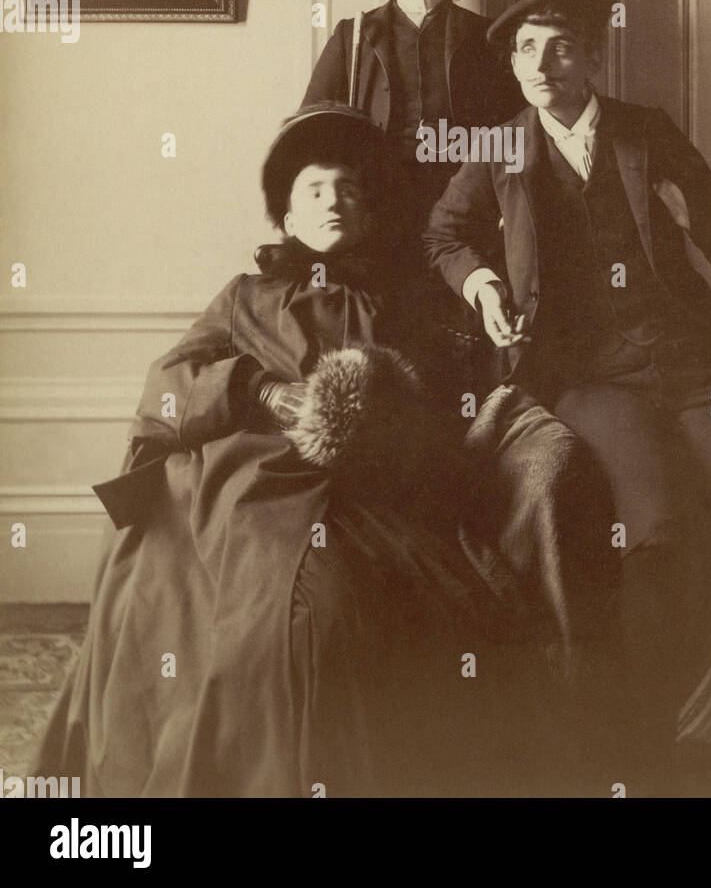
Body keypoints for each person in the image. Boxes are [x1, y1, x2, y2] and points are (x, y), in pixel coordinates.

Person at [35, 103, 515, 797]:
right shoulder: (246, 298)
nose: (333, 201)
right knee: (279, 610)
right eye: (314, 190)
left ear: (371, 212)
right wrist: (259, 392)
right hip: (242, 481)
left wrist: (376, 418)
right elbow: (167, 385)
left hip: (360, 490)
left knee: (343, 615)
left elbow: (443, 417)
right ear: (288, 218)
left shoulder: (405, 302)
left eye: (348, 188)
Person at [424, 0, 711, 784]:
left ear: (592, 55)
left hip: (690, 358)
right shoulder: (500, 148)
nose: (540, 63)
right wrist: (484, 286)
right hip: (591, 377)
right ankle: (660, 729)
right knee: (651, 533)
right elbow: (442, 236)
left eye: (558, 45)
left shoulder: (644, 132)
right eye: (525, 48)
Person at [302, 0, 521, 233]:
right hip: (375, 224)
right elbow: (310, 140)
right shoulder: (352, 37)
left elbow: (515, 140)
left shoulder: (490, 40)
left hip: (463, 227)